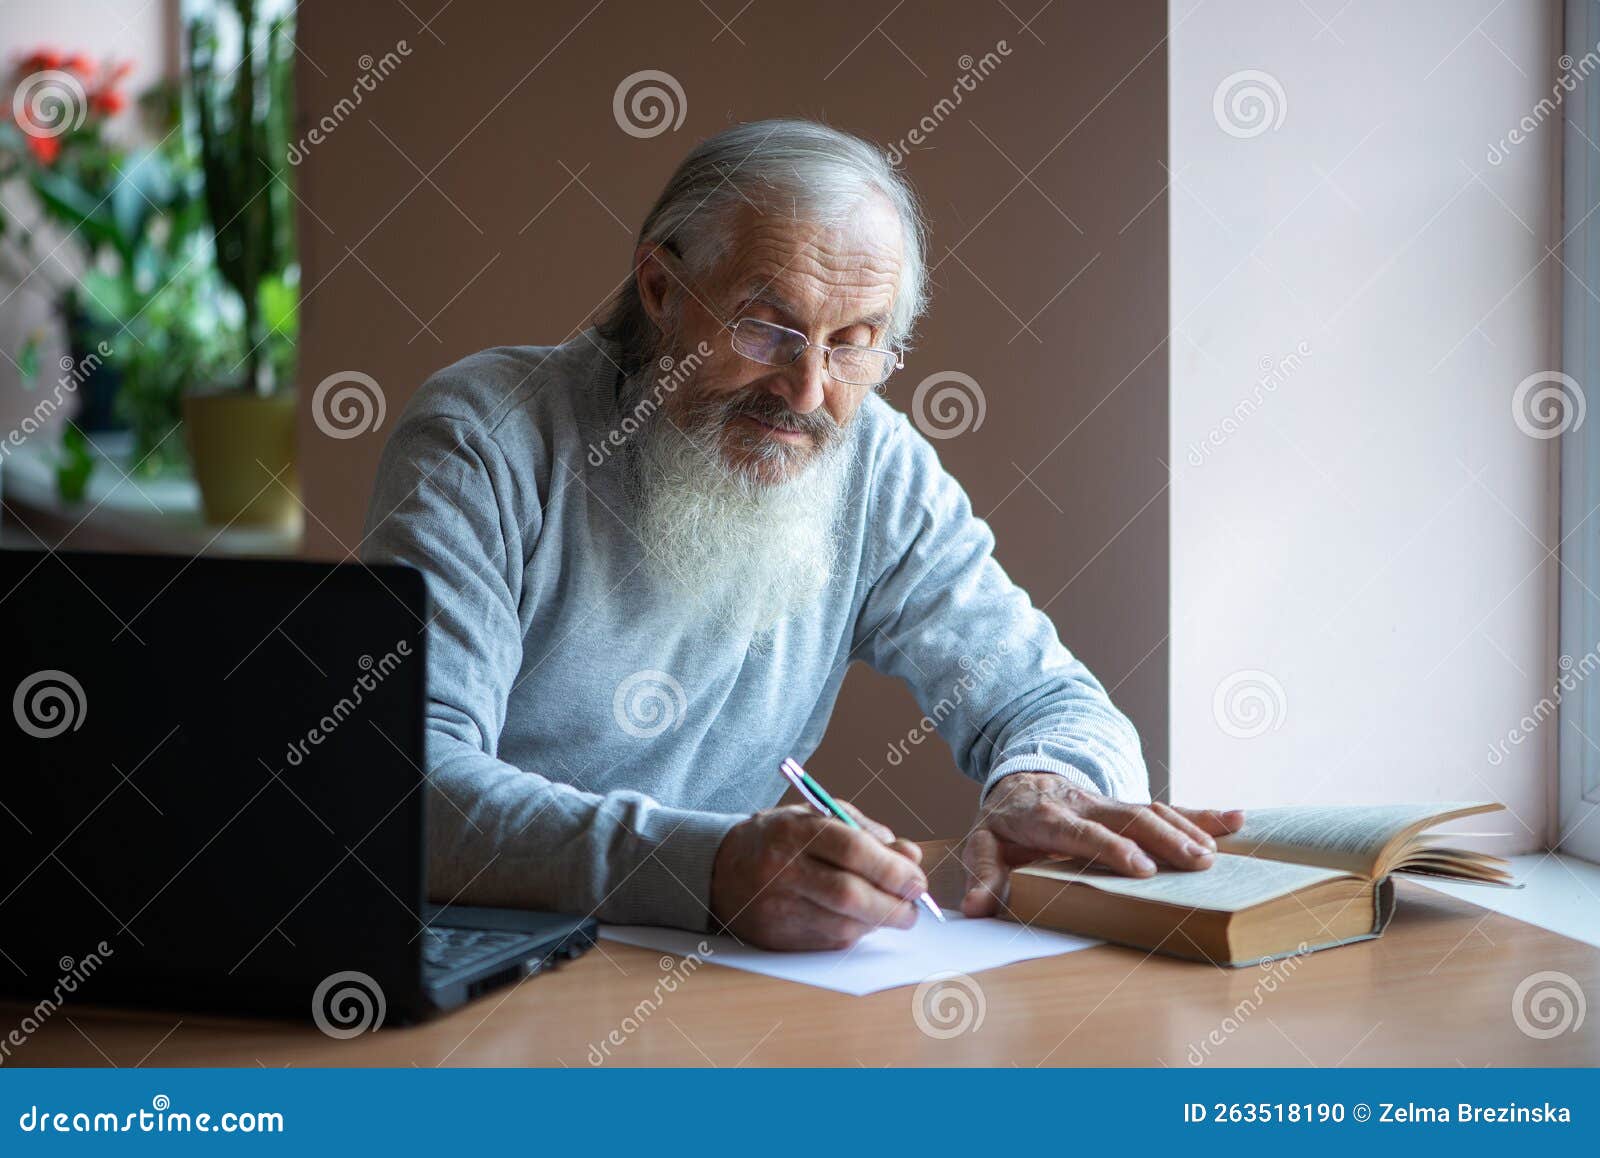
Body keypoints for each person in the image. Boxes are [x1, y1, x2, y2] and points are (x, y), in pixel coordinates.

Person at [363, 118, 1243, 951]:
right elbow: (406, 784)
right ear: (661, 288)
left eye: (855, 343)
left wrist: (1045, 785)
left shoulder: (873, 464)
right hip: (479, 970)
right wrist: (707, 867)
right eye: (767, 328)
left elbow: (1052, 701)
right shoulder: (486, 437)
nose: (809, 391)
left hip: (730, 986)